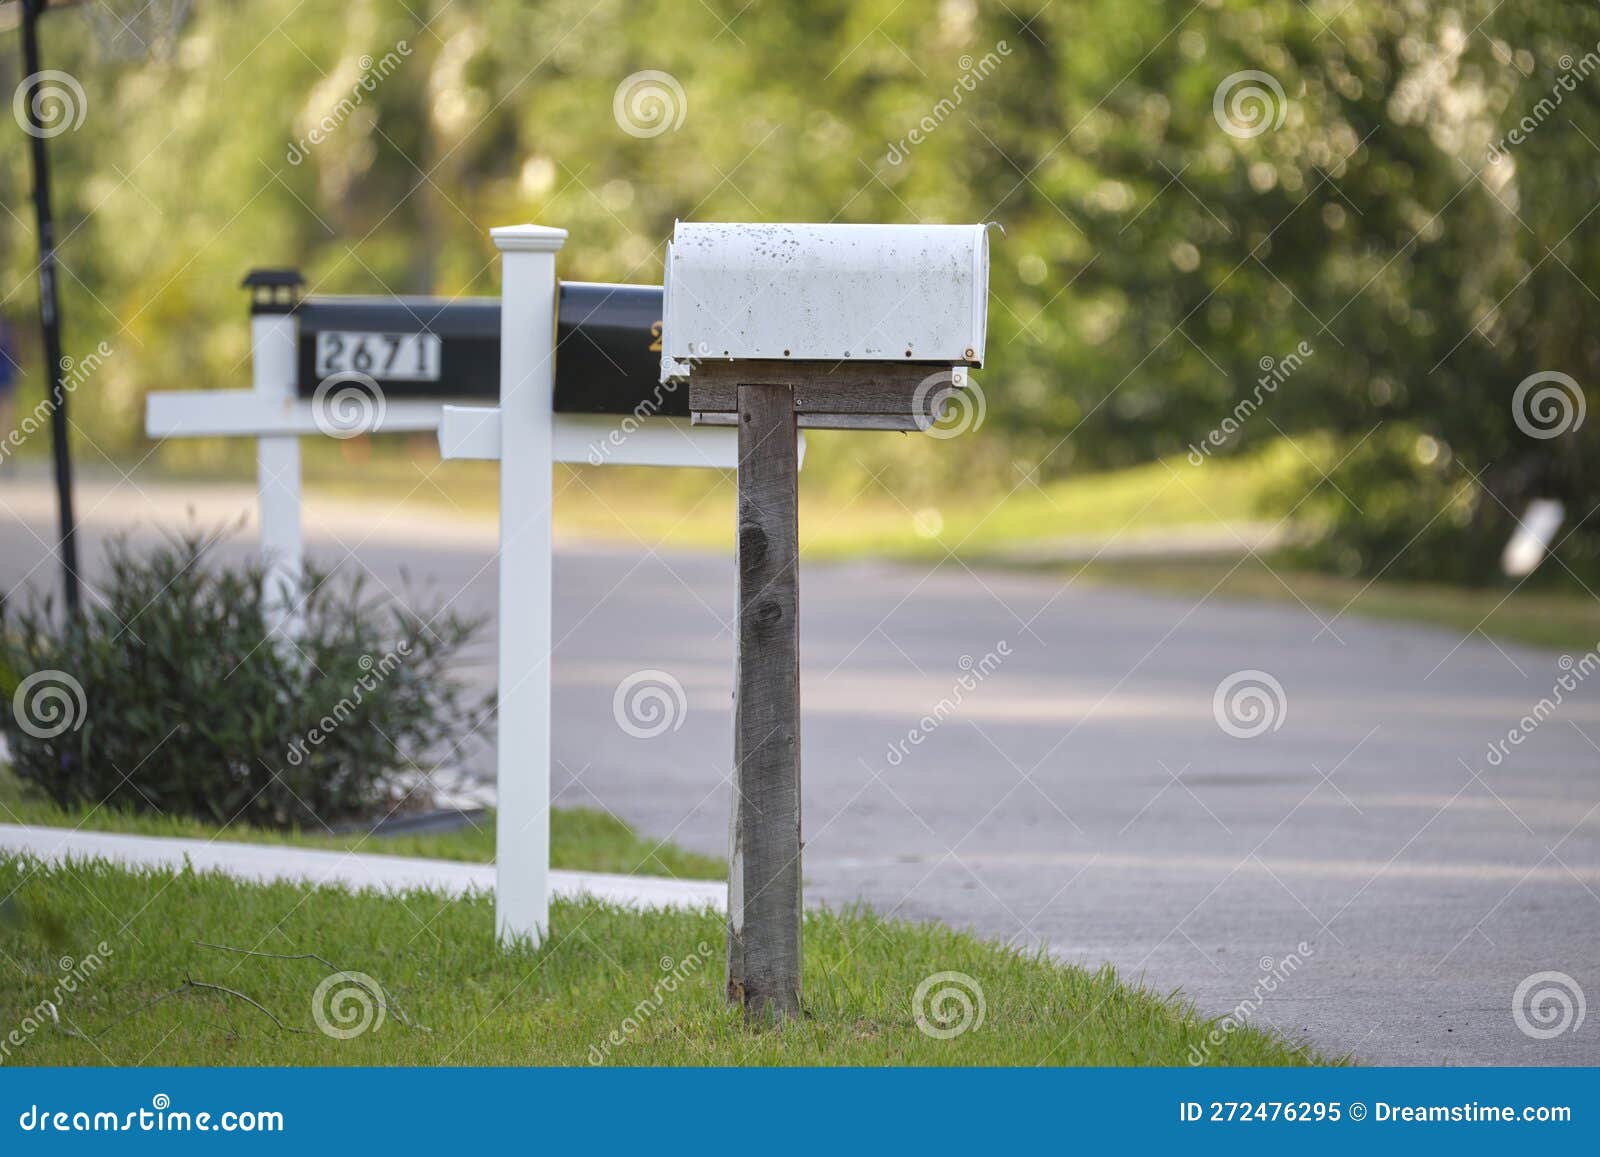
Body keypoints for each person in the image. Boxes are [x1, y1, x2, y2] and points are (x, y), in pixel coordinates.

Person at [0, 319, 17, 476]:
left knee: (6, 423)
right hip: (6, 380)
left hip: (5, 382)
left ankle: (7, 460)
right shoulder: (7, 331)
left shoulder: (7, 331)